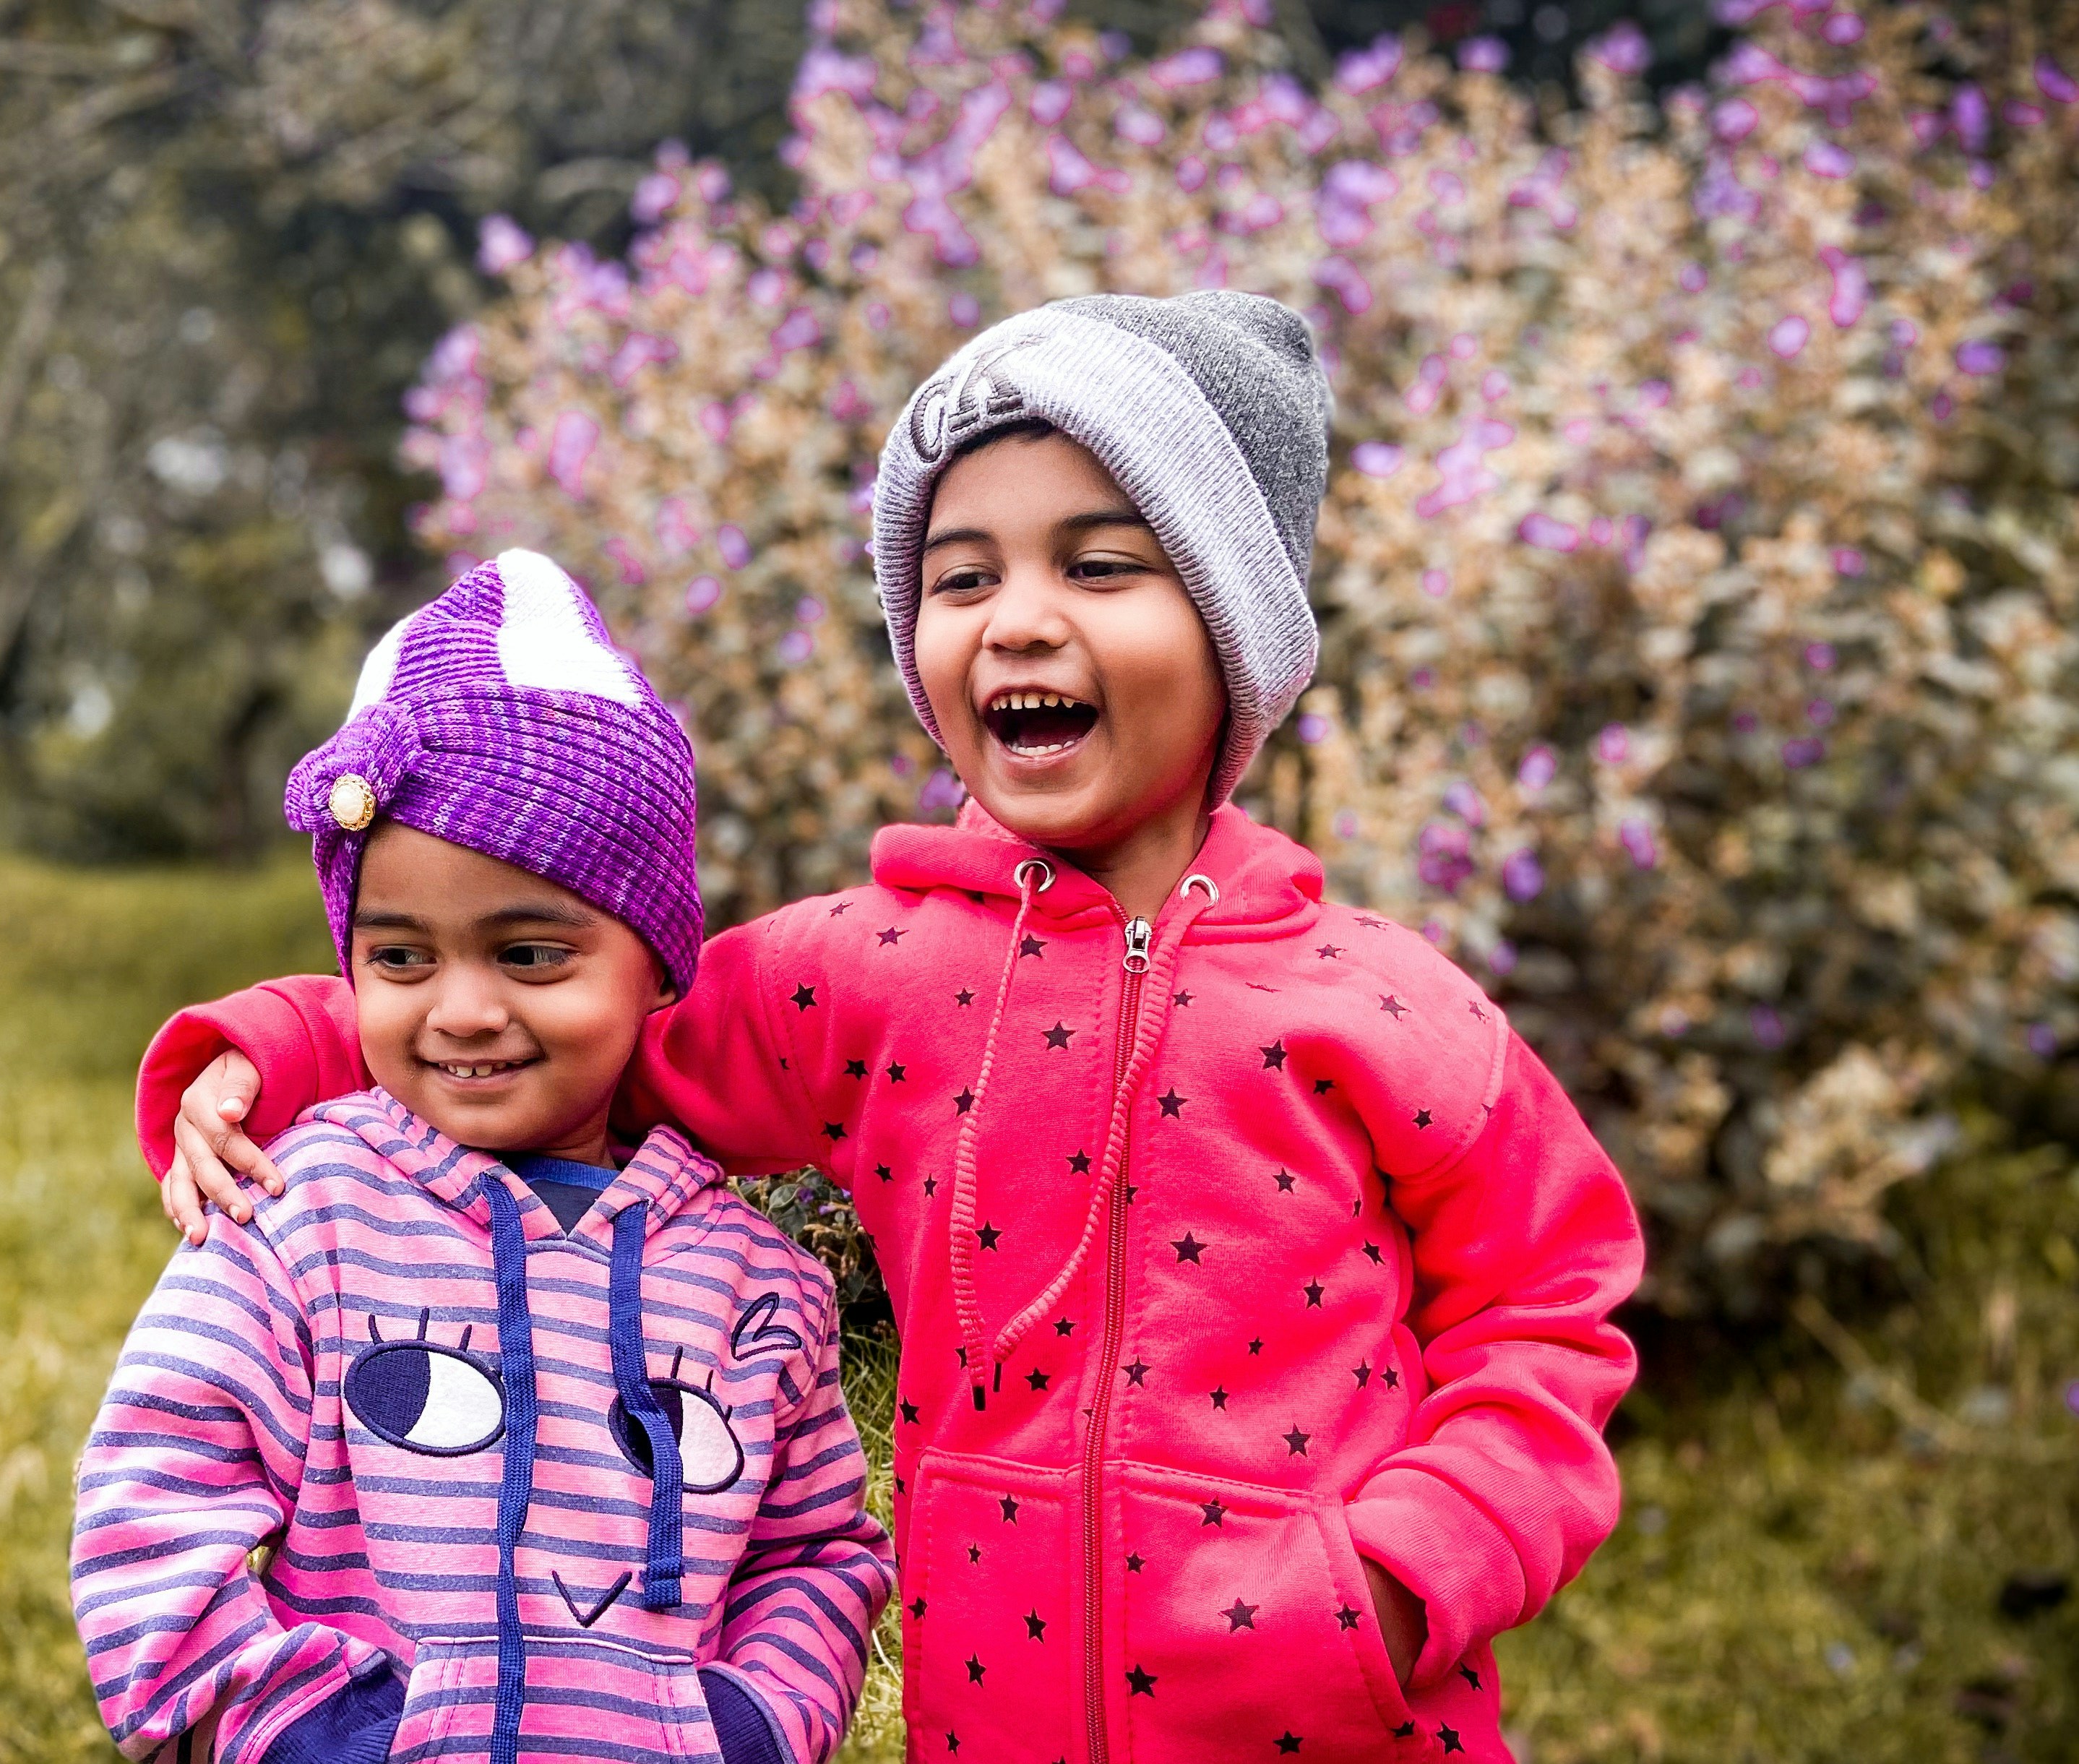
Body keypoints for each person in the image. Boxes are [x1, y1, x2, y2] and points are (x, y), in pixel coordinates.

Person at [139, 294, 1644, 1762]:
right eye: (963, 577)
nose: (1020, 623)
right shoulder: (863, 973)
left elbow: (1553, 1302)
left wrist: (1404, 1573)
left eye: (1103, 567)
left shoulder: (1381, 1002)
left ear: (1236, 630)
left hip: (1346, 1721)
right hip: (994, 1715)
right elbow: (575, 1019)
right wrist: (273, 1045)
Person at [72, 549, 891, 1764]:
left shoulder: (755, 1282)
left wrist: (753, 1722)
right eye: (401, 959)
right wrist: (291, 1726)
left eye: (528, 955)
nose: (459, 1009)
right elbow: (155, 1484)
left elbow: (813, 1551)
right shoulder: (302, 1214)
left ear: (657, 961)